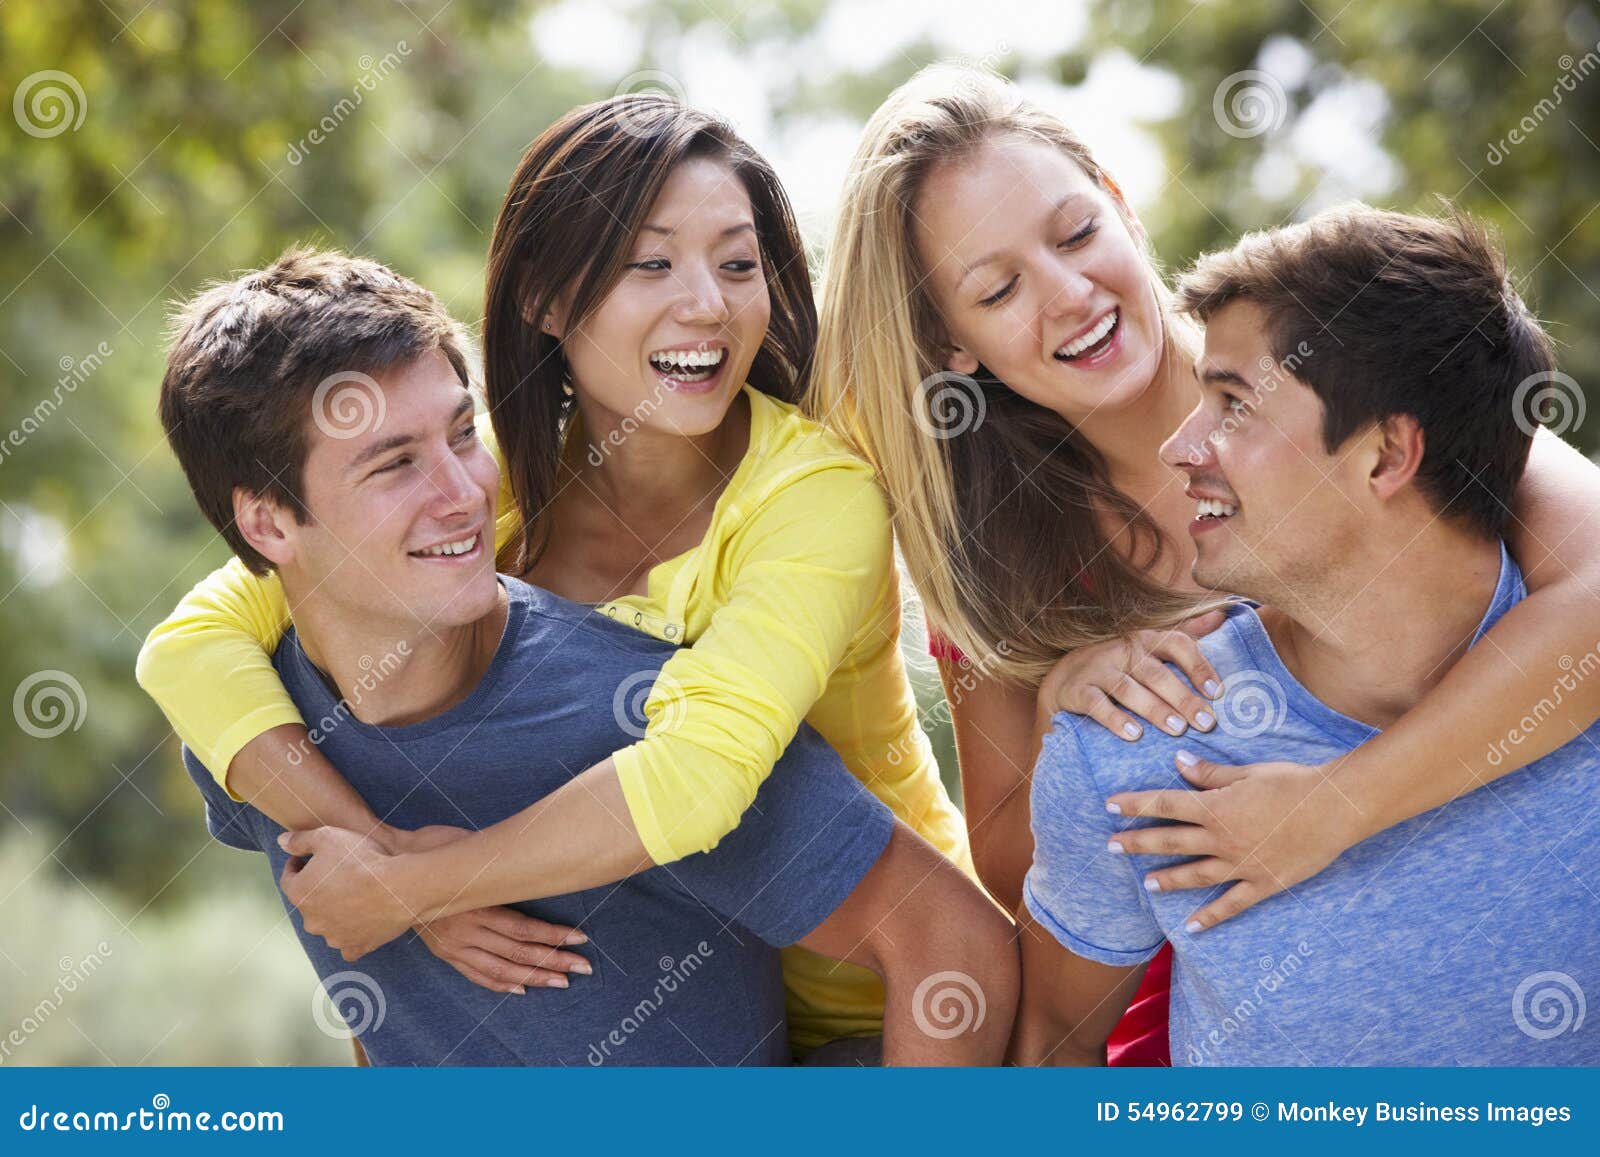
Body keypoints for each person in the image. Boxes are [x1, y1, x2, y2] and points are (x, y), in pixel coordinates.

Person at [136, 96, 980, 1059]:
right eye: (651, 264)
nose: (708, 303)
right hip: (675, 990)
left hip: (879, 1004)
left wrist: (417, 886)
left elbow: (698, 778)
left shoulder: (816, 499)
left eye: (738, 264)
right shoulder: (483, 477)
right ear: (542, 298)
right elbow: (194, 642)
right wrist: (383, 858)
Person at [806, 64, 1600, 1064]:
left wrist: (1332, 809)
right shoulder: (1001, 553)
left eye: (1074, 233)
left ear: (1119, 202)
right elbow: (1017, 869)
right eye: (998, 290)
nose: (1069, 295)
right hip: (1231, 1004)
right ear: (948, 344)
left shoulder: (1329, 355)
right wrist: (1062, 700)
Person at [1013, 204, 1599, 1066]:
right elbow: (1049, 1052)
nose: (1180, 446)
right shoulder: (1129, 750)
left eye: (1232, 404)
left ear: (1386, 455)